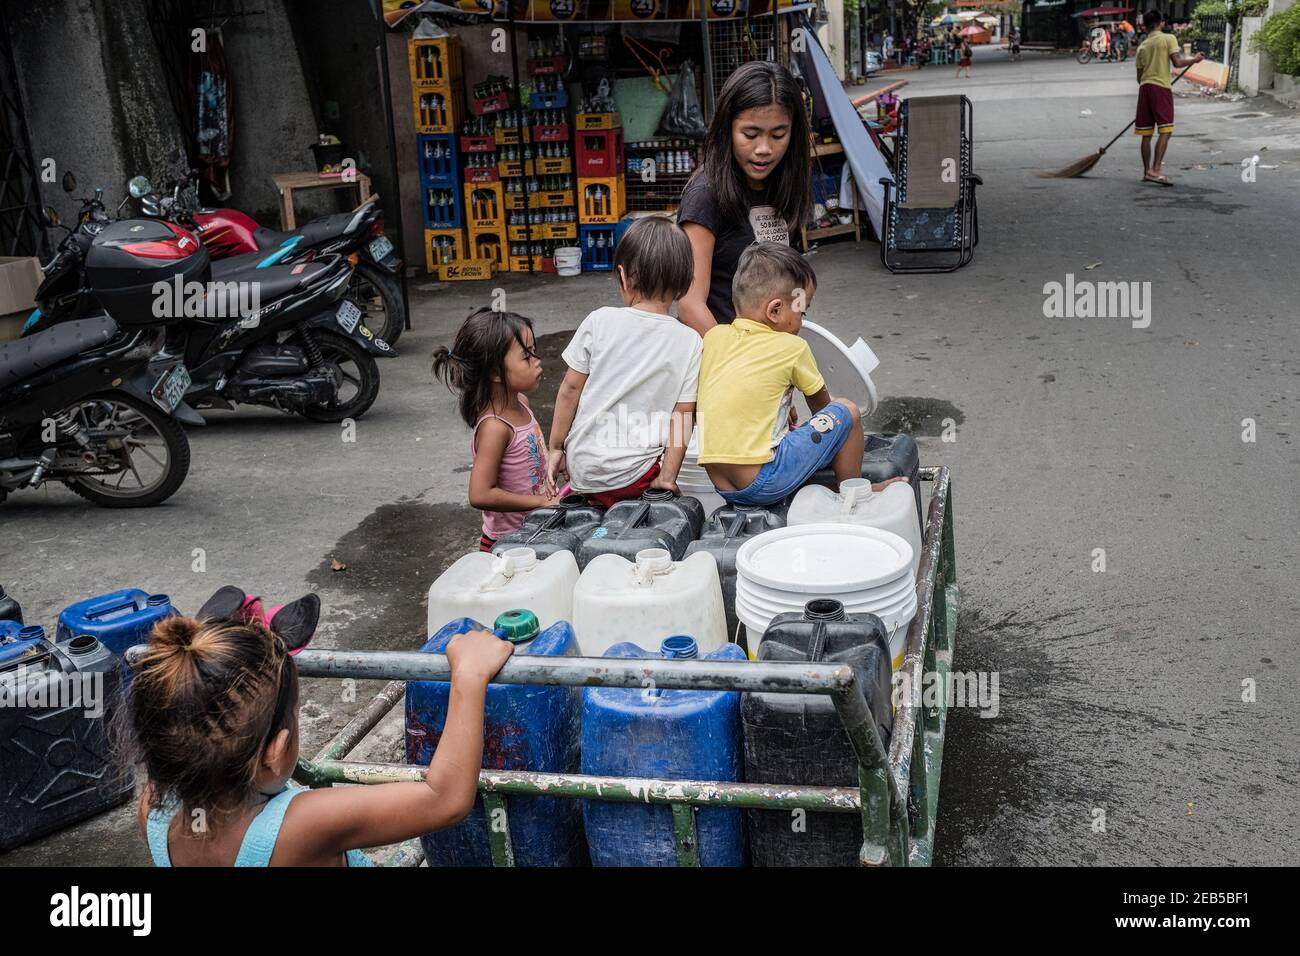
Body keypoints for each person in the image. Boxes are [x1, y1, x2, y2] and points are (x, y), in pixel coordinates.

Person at [124, 605, 514, 866]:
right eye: (294, 714)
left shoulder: (153, 810)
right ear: (276, 752)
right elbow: (444, 798)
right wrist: (469, 676)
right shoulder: (300, 825)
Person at [694, 243, 907, 507]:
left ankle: (816, 486)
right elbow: (823, 409)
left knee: (790, 432)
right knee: (847, 412)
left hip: (722, 484)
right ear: (774, 310)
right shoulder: (793, 347)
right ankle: (853, 493)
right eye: (802, 311)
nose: (802, 321)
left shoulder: (714, 337)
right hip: (765, 480)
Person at [547, 217, 701, 506]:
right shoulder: (690, 341)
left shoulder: (599, 320)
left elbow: (570, 389)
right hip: (636, 477)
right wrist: (667, 478)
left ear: (623, 276)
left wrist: (556, 447)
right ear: (683, 285)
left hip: (582, 470)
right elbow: (682, 417)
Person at [677, 61, 811, 333]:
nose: (764, 148)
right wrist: (736, 357)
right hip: (723, 358)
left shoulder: (785, 184)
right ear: (728, 129)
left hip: (770, 356)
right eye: (750, 134)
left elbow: (795, 280)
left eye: (778, 134)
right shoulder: (705, 195)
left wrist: (795, 322)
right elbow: (690, 305)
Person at [432, 308, 561, 552]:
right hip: (507, 543)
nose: (537, 361)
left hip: (535, 530)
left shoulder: (520, 401)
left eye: (534, 352)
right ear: (494, 372)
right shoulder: (495, 426)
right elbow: (480, 494)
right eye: (526, 357)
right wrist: (541, 502)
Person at [1134, 9, 1204, 186]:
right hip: (1160, 88)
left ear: (1146, 26)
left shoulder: (1142, 46)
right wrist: (1195, 59)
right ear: (1161, 23)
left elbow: (1139, 77)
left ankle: (1146, 171)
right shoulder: (1168, 39)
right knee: (1166, 130)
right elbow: (1178, 63)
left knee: (1146, 133)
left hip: (1145, 89)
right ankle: (1156, 170)